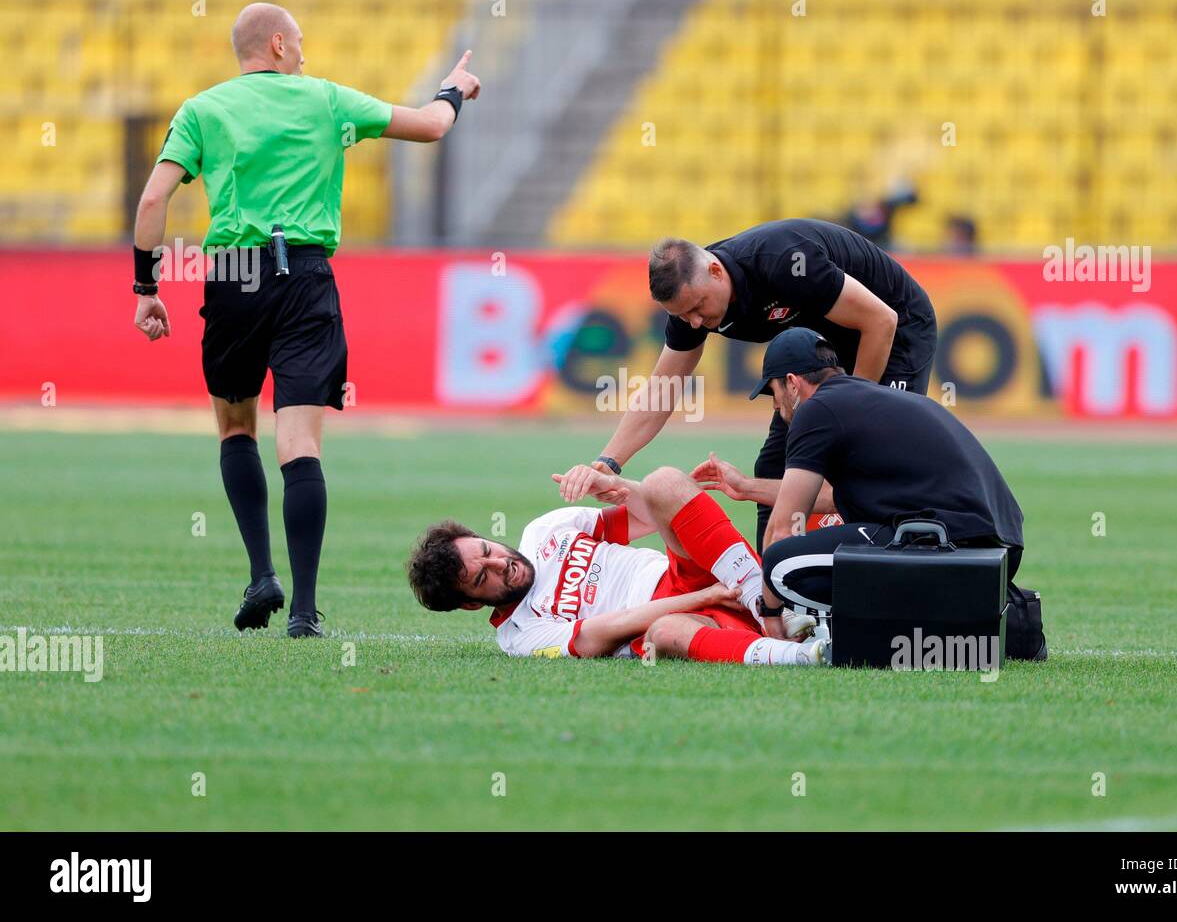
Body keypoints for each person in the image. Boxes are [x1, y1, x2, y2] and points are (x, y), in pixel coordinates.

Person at [129, 2, 481, 636]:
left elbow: (155, 197)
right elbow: (431, 126)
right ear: (280, 45)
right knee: (300, 445)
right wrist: (455, 89)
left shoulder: (202, 110)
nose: (305, 54)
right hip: (307, 275)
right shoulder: (325, 100)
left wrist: (145, 287)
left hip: (234, 275)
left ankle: (262, 572)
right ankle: (305, 610)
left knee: (236, 430)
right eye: (301, 44)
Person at [591, 217, 938, 549]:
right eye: (683, 315)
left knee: (867, 459)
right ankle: (774, 591)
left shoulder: (784, 261)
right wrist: (609, 462)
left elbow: (881, 320)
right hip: (827, 346)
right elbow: (662, 389)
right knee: (775, 465)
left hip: (895, 329)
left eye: (698, 307)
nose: (695, 323)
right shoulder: (691, 305)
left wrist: (850, 412)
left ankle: (884, 572)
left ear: (715, 271)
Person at [700, 327, 1046, 658]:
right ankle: (995, 626)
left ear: (792, 384)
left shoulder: (816, 410)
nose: (775, 406)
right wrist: (747, 488)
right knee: (841, 546)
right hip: (996, 548)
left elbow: (781, 530)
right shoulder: (866, 398)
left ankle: (848, 630)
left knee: (780, 563)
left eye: (772, 392)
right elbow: (838, 499)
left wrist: (769, 613)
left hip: (952, 544)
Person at [408, 464, 827, 666]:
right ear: (468, 604)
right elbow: (597, 637)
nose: (501, 562)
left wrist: (615, 487)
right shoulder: (520, 636)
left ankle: (768, 604)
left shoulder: (542, 531)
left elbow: (650, 514)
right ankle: (803, 654)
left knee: (663, 480)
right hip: (679, 616)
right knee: (664, 633)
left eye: (487, 549)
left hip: (683, 575)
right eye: (483, 576)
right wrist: (704, 597)